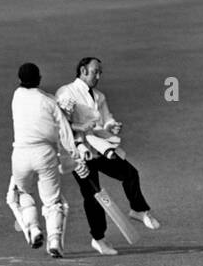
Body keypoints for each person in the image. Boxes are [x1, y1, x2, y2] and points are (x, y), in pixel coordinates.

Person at [55, 57, 161, 254]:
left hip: (100, 147)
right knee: (93, 196)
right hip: (79, 152)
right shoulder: (66, 92)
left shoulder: (99, 96)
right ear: (83, 71)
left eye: (100, 72)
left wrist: (112, 125)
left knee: (130, 173)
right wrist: (80, 129)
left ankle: (138, 209)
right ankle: (99, 239)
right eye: (95, 71)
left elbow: (105, 120)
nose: (99, 76)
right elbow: (60, 124)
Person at [8, 63, 78, 258]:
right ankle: (54, 241)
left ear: (20, 80)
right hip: (45, 154)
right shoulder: (49, 102)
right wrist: (70, 159)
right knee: (52, 201)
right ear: (39, 79)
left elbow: (34, 94)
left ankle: (33, 228)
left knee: (23, 194)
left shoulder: (17, 96)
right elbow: (64, 131)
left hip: (20, 154)